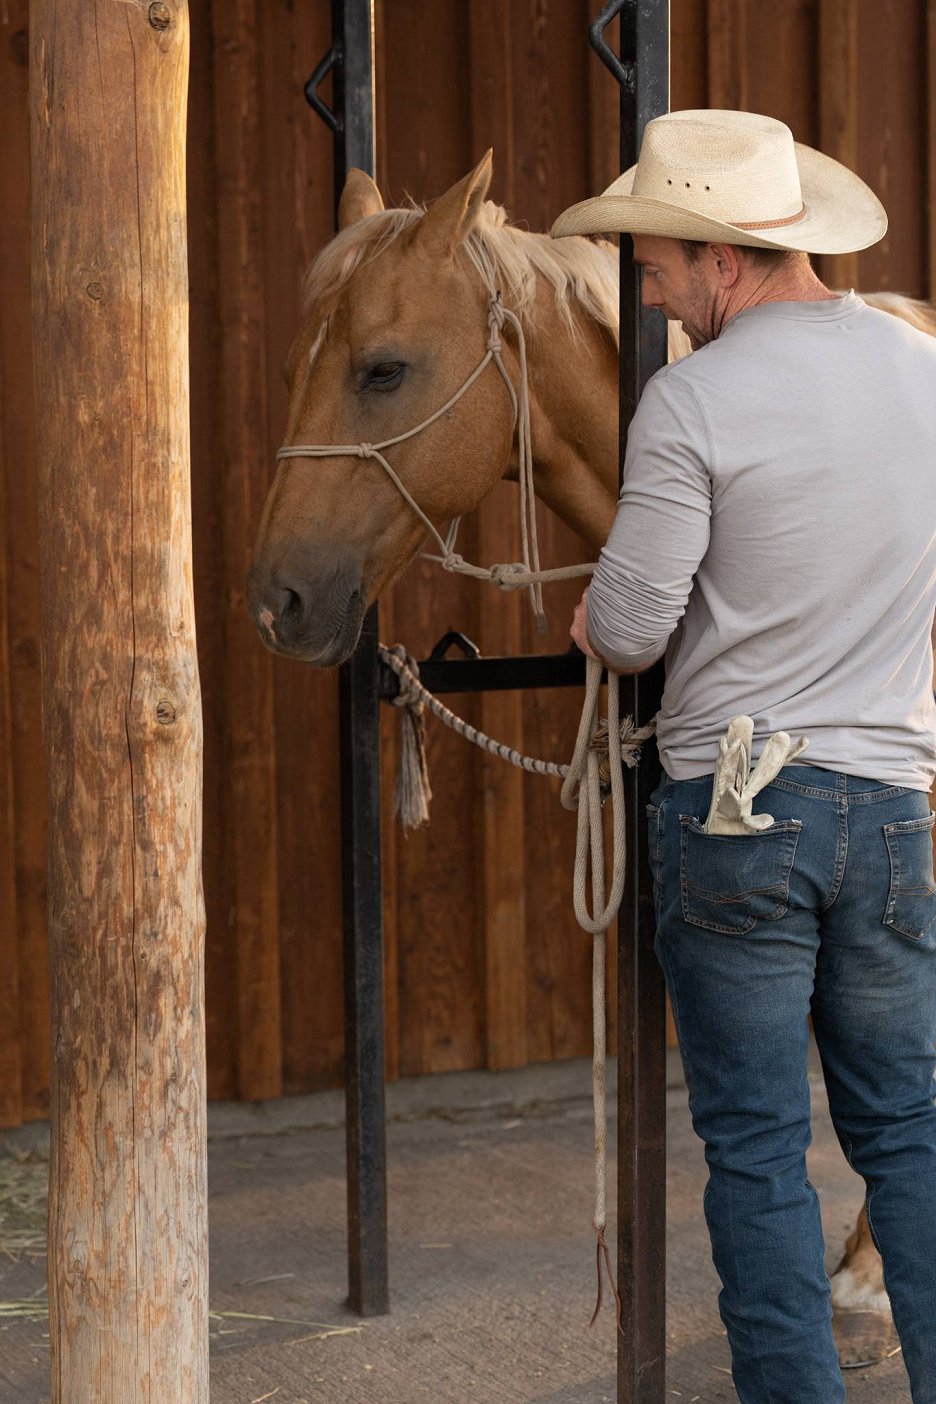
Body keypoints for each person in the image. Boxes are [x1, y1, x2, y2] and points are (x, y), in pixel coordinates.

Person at [551, 109, 936, 1404]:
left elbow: (633, 627)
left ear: (725, 259)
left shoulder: (693, 400)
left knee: (761, 1149)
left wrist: (596, 619)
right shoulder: (923, 374)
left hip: (740, 813)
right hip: (892, 809)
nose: (653, 294)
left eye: (660, 267)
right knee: (911, 1131)